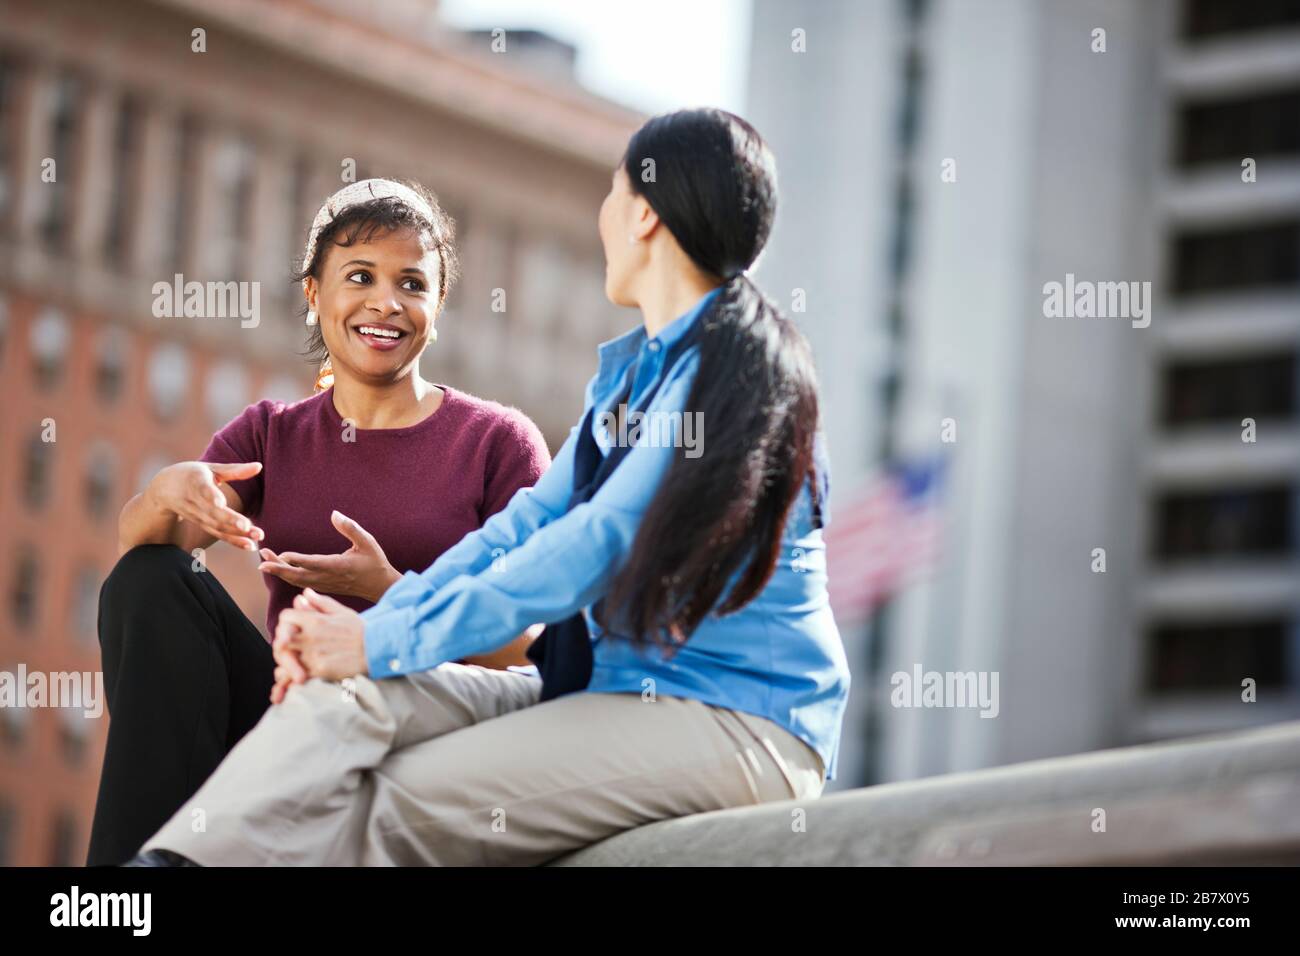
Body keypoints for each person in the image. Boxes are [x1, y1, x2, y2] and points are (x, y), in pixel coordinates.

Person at [127, 108, 851, 867]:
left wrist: (379, 635)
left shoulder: (725, 373)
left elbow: (591, 544)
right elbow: (519, 530)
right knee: (347, 702)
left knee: (396, 798)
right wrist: (366, 641)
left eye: (610, 195)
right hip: (605, 690)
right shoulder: (636, 375)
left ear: (642, 214)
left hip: (735, 723)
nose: (602, 217)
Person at [88, 179, 550, 866]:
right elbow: (145, 564)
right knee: (153, 577)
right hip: (290, 729)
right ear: (313, 294)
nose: (385, 303)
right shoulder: (274, 434)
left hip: (424, 744)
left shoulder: (497, 443)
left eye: (412, 284)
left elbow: (538, 650)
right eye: (359, 277)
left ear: (439, 305)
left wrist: (393, 593)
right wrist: (166, 494)